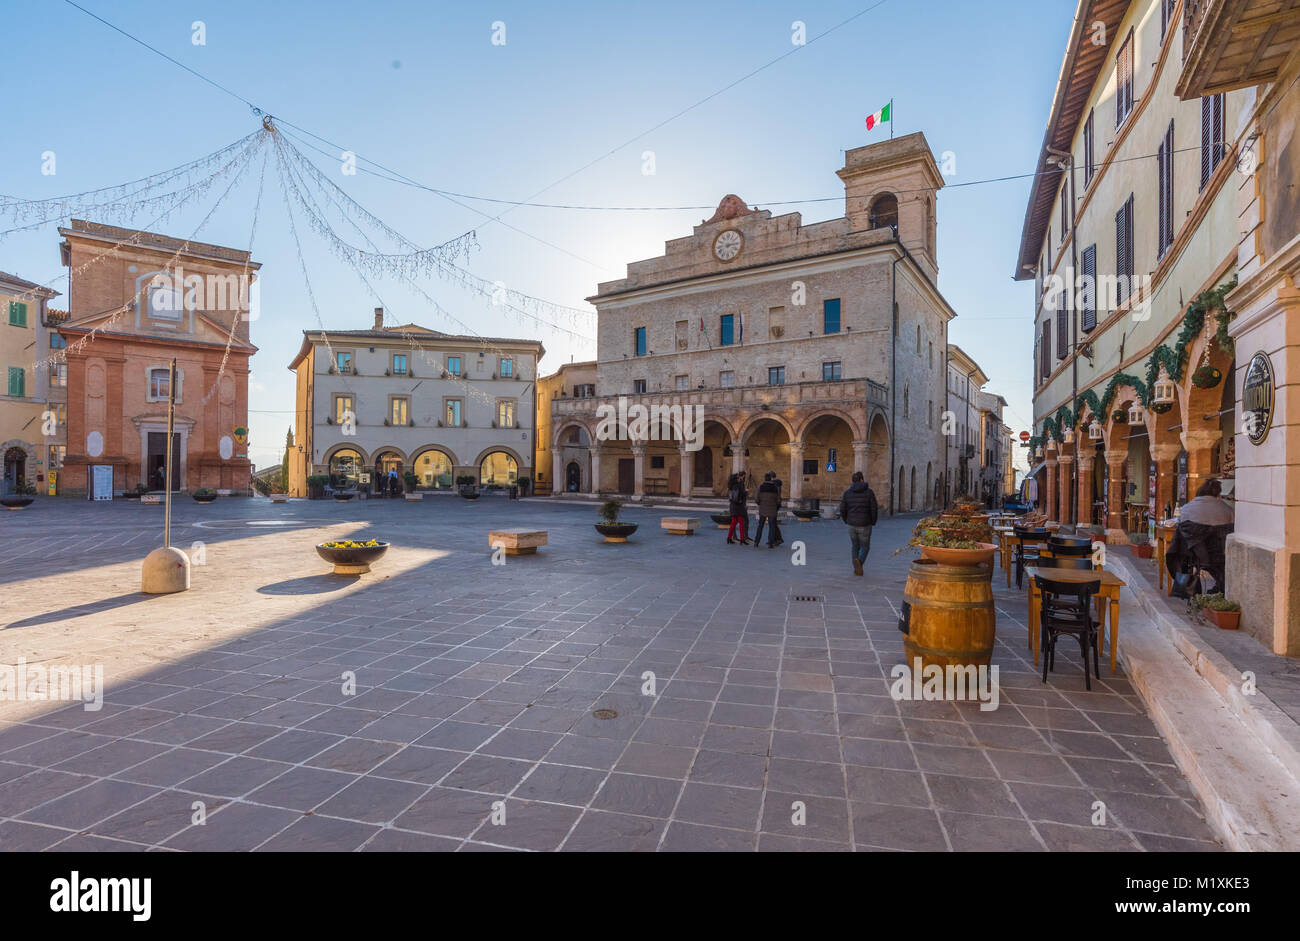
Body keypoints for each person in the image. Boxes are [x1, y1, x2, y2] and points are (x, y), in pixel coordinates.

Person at [1166, 479, 1234, 595]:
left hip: (1196, 555)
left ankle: (1186, 588)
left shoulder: (1187, 508)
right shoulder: (1227, 510)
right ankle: (1221, 586)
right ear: (1218, 494)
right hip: (1220, 556)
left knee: (1181, 549)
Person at [838, 471, 879, 576]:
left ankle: (857, 568)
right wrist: (873, 521)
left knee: (855, 546)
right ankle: (859, 562)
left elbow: (842, 509)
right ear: (862, 479)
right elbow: (874, 509)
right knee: (865, 547)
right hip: (865, 524)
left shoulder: (847, 493)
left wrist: (846, 519)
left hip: (851, 524)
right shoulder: (869, 492)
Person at [753, 471, 783, 549]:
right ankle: (770, 543)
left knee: (760, 526)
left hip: (762, 509)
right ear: (771, 479)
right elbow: (778, 499)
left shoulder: (761, 486)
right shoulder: (775, 487)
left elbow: (756, 498)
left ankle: (756, 542)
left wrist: (760, 503)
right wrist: (775, 505)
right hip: (772, 509)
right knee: (772, 526)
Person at [726, 472, 751, 545]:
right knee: (741, 523)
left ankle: (729, 538)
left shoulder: (732, 486)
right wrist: (746, 492)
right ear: (736, 479)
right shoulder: (737, 486)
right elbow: (739, 496)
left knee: (733, 523)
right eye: (738, 478)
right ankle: (742, 539)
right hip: (738, 506)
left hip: (733, 506)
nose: (740, 478)